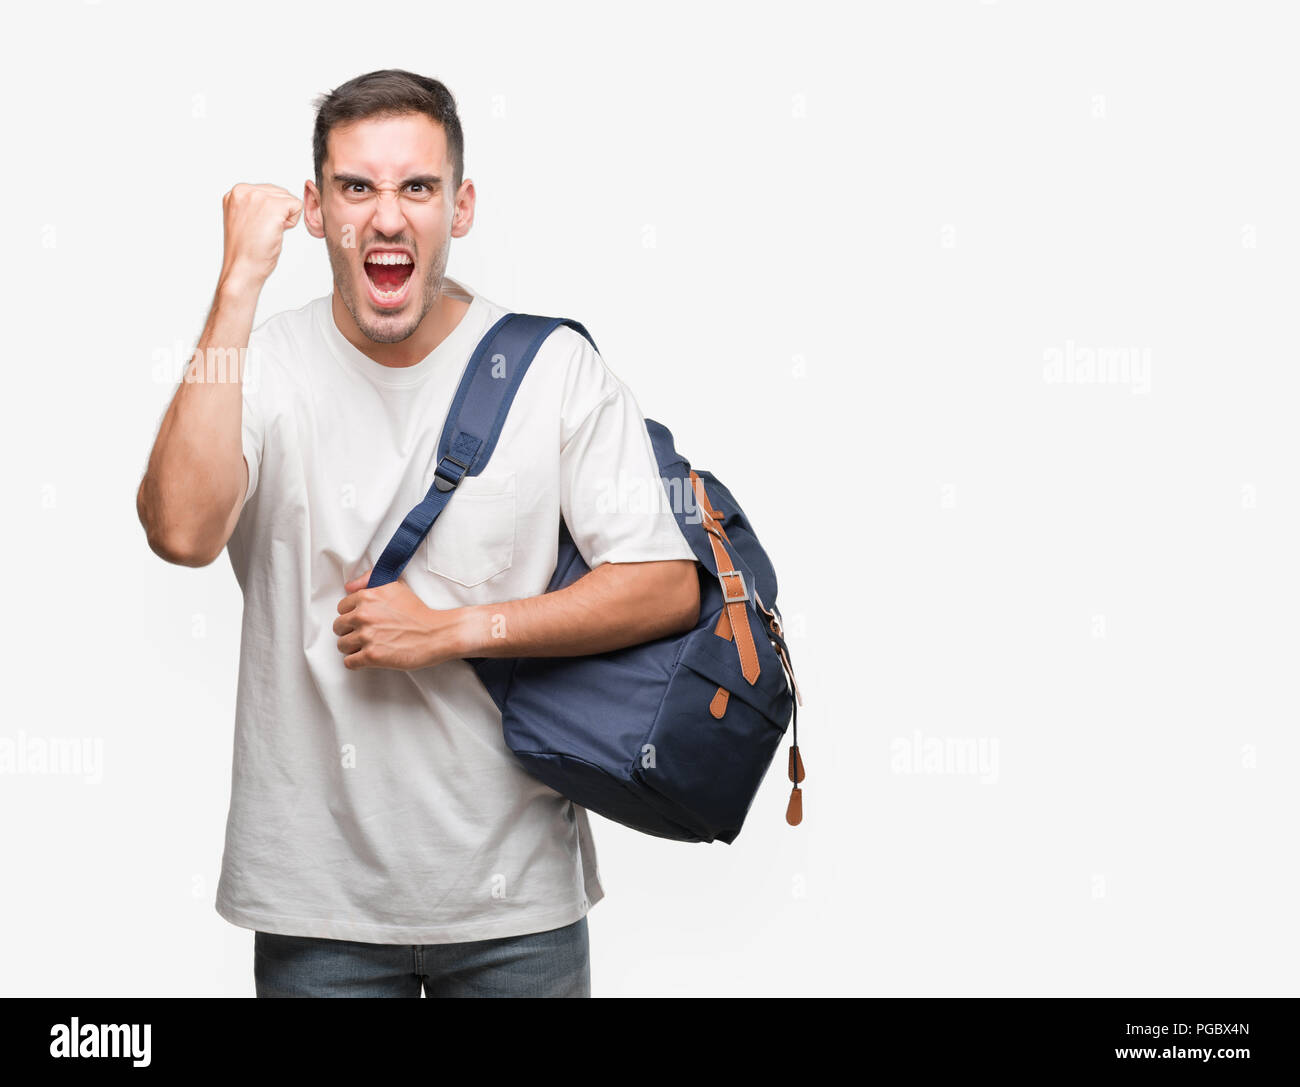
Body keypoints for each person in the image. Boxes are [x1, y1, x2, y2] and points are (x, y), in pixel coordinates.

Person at [135, 69, 700, 998]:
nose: (387, 217)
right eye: (357, 187)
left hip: (516, 903)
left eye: (417, 187)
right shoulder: (263, 361)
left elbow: (663, 582)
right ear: (316, 209)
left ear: (461, 206)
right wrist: (237, 283)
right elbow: (183, 532)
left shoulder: (553, 369)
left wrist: (455, 630)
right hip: (315, 904)